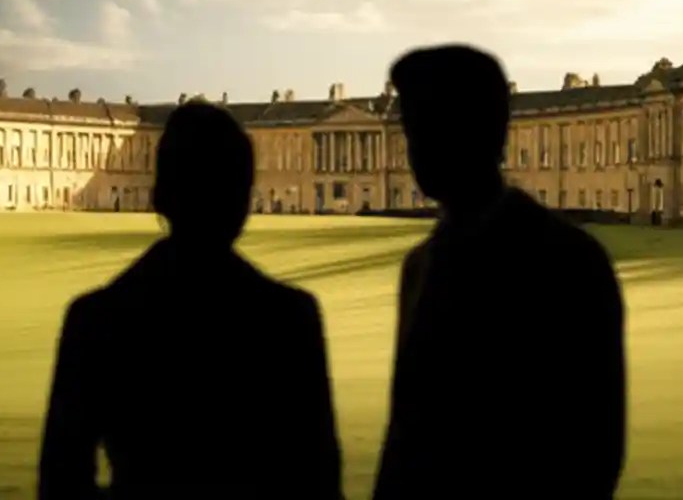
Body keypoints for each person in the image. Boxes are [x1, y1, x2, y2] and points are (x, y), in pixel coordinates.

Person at [38, 101, 343, 500]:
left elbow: (61, 483)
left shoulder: (95, 319)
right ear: (244, 201)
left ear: (159, 196)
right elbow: (318, 480)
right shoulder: (289, 318)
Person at [372, 45, 627, 499]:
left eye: (432, 127)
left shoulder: (568, 262)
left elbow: (596, 446)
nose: (417, 150)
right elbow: (404, 433)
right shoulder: (418, 266)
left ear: (486, 129)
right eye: (412, 130)